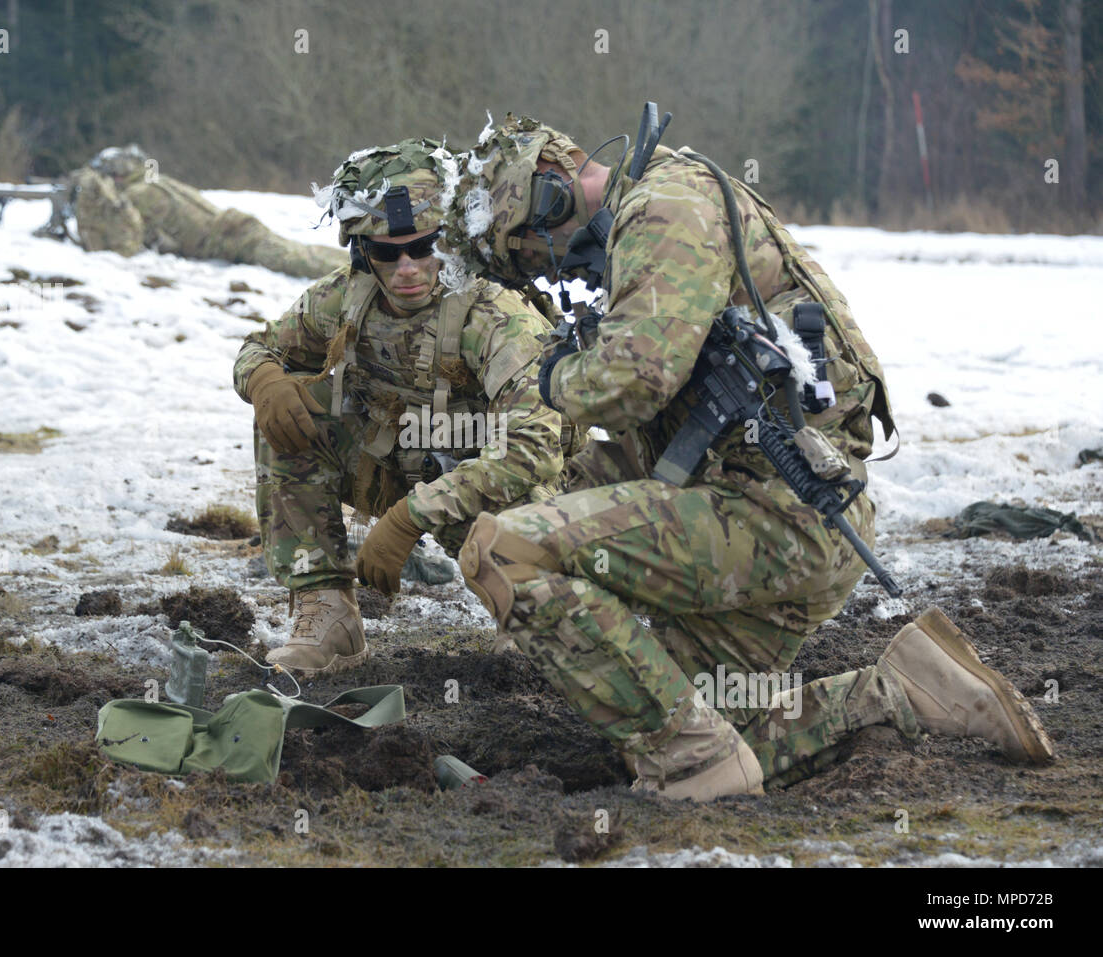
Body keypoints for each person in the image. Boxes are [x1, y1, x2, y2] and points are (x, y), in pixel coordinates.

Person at [440, 113, 1054, 800]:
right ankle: (899, 691)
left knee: (504, 552)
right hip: (788, 519)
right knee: (691, 718)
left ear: (549, 193)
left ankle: (692, 762)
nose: (552, 271)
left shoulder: (664, 205)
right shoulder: (670, 206)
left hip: (773, 513)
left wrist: (555, 376)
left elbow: (631, 382)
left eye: (532, 251)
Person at [232, 138, 582, 675]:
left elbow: (535, 449)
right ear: (361, 253)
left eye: (425, 248)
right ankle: (327, 613)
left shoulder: (492, 313)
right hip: (391, 462)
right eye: (386, 253)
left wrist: (409, 518)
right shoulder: (346, 298)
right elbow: (261, 345)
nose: (407, 268)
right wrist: (261, 378)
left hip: (484, 483)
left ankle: (530, 617)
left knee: (534, 627)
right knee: (290, 404)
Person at [70, 145, 346, 277]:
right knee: (299, 252)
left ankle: (355, 269)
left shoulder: (138, 194)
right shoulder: (155, 182)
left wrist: (101, 200)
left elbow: (126, 242)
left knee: (297, 261)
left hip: (229, 237)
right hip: (234, 226)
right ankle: (355, 263)